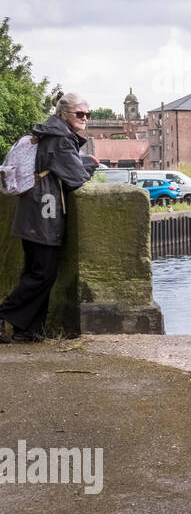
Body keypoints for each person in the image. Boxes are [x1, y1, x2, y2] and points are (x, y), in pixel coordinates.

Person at [0, 95, 93, 343]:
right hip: (44, 215)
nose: (85, 119)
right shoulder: (61, 140)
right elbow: (77, 178)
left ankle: (27, 330)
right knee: (43, 274)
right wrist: (88, 168)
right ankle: (4, 314)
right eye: (79, 114)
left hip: (31, 211)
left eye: (87, 114)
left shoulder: (47, 133)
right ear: (64, 115)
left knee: (34, 272)